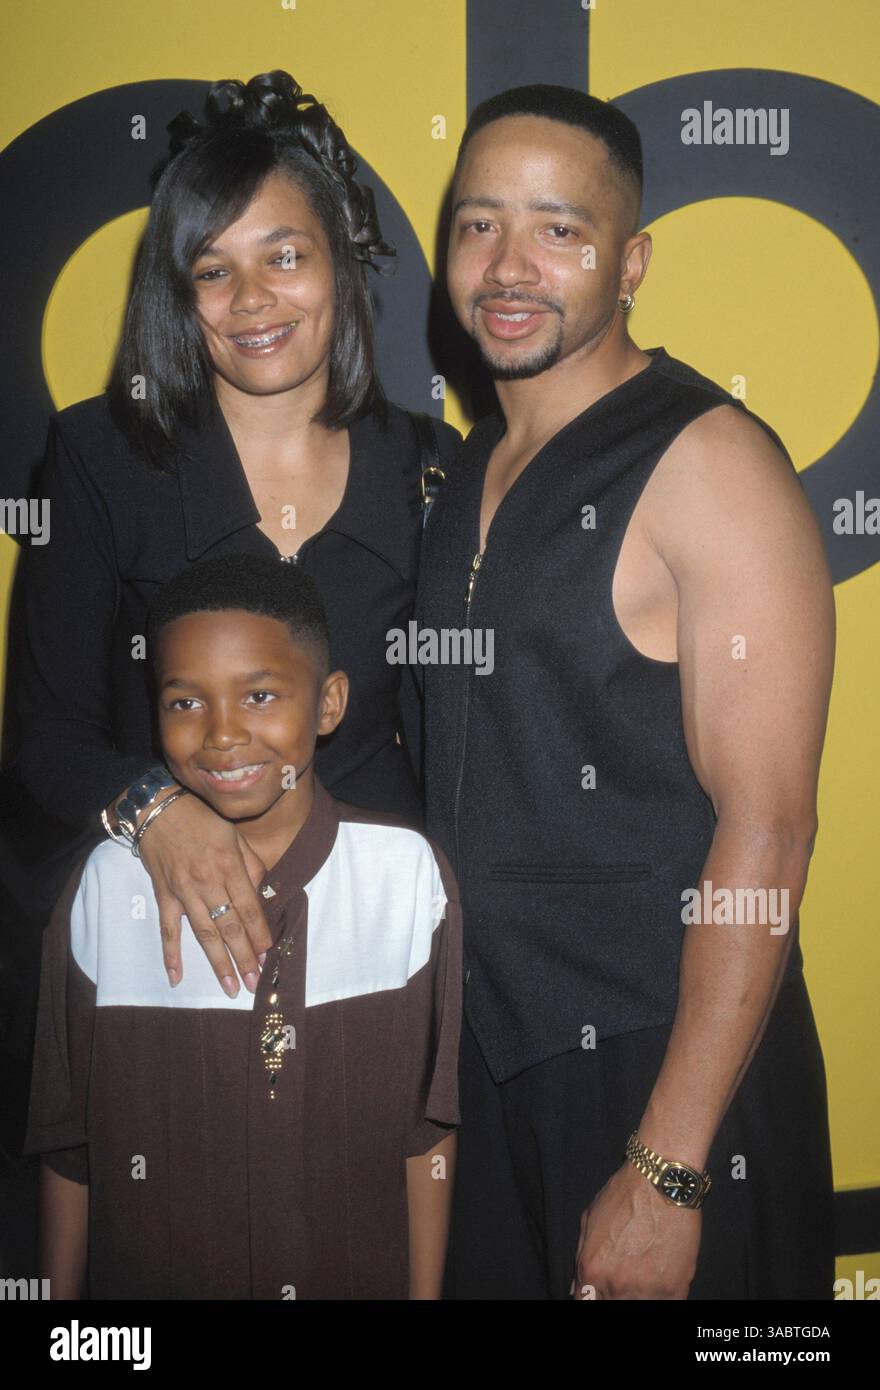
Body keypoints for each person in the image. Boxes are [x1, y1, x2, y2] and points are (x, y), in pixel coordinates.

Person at [418, 85, 836, 1300]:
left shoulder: (710, 462)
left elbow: (769, 828)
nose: (507, 266)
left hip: (669, 1079)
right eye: (477, 224)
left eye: (559, 229)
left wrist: (669, 1167)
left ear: (631, 259)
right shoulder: (467, 471)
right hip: (492, 1079)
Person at [10, 69, 461, 1010]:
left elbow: (453, 745)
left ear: (338, 261)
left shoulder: (430, 466)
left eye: (285, 257)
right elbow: (45, 737)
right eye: (213, 270)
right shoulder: (99, 457)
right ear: (180, 294)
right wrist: (158, 815)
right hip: (160, 946)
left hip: (372, 952)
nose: (251, 299)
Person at [23, 554, 461, 1300]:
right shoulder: (105, 886)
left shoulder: (404, 876)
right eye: (185, 703)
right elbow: (68, 1146)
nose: (222, 736)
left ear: (329, 704)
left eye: (259, 695)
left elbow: (428, 1132)